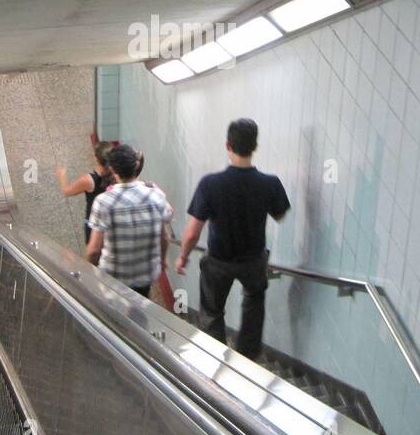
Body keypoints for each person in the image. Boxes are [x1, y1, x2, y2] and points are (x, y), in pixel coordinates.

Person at [173, 118, 289, 358]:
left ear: (228, 145)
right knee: (253, 306)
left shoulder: (210, 184)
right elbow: (280, 215)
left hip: (218, 261)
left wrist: (183, 256)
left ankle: (215, 361)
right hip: (254, 260)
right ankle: (247, 361)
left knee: (212, 312)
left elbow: (193, 231)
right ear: (255, 147)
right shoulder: (270, 183)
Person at [86, 143, 172, 298]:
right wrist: (163, 261)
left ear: (112, 169)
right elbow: (164, 236)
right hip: (145, 275)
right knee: (141, 304)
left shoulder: (103, 201)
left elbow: (93, 250)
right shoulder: (156, 196)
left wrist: (90, 271)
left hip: (113, 277)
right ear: (137, 165)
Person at [56, 141, 113, 244]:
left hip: (94, 221)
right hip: (111, 219)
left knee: (93, 249)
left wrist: (62, 176)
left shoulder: (89, 180)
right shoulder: (117, 174)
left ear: (96, 158)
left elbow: (67, 192)